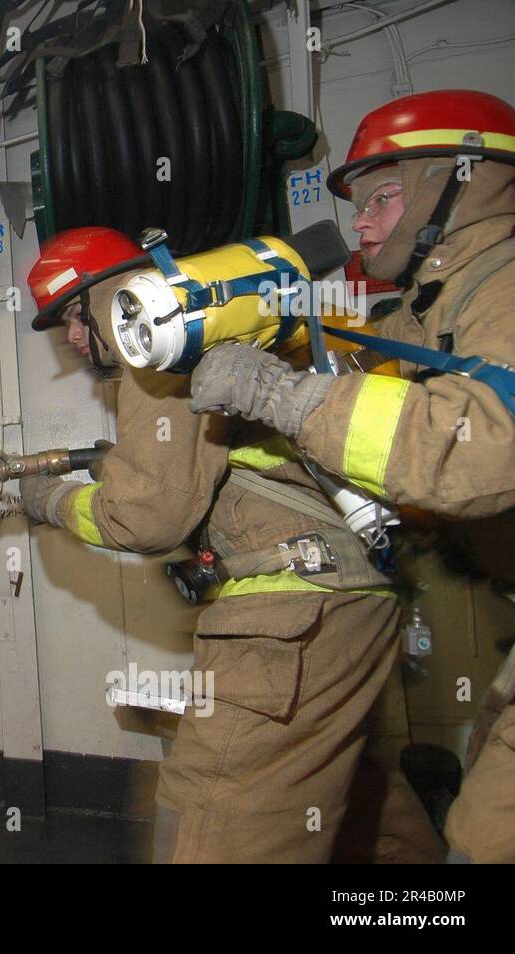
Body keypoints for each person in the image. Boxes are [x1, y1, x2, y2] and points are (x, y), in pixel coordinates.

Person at [21, 226, 439, 862]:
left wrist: (48, 501)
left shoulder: (149, 342)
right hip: (353, 594)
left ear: (102, 298)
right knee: (357, 799)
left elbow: (145, 517)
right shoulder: (212, 327)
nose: (74, 340)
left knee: (209, 816)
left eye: (73, 319)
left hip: (289, 617)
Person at [188, 89, 515, 863]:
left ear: (462, 182)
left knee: (489, 837)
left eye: (382, 199)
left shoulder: (505, 287)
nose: (360, 225)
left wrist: (282, 394)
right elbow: (361, 366)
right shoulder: (433, 304)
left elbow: (487, 445)